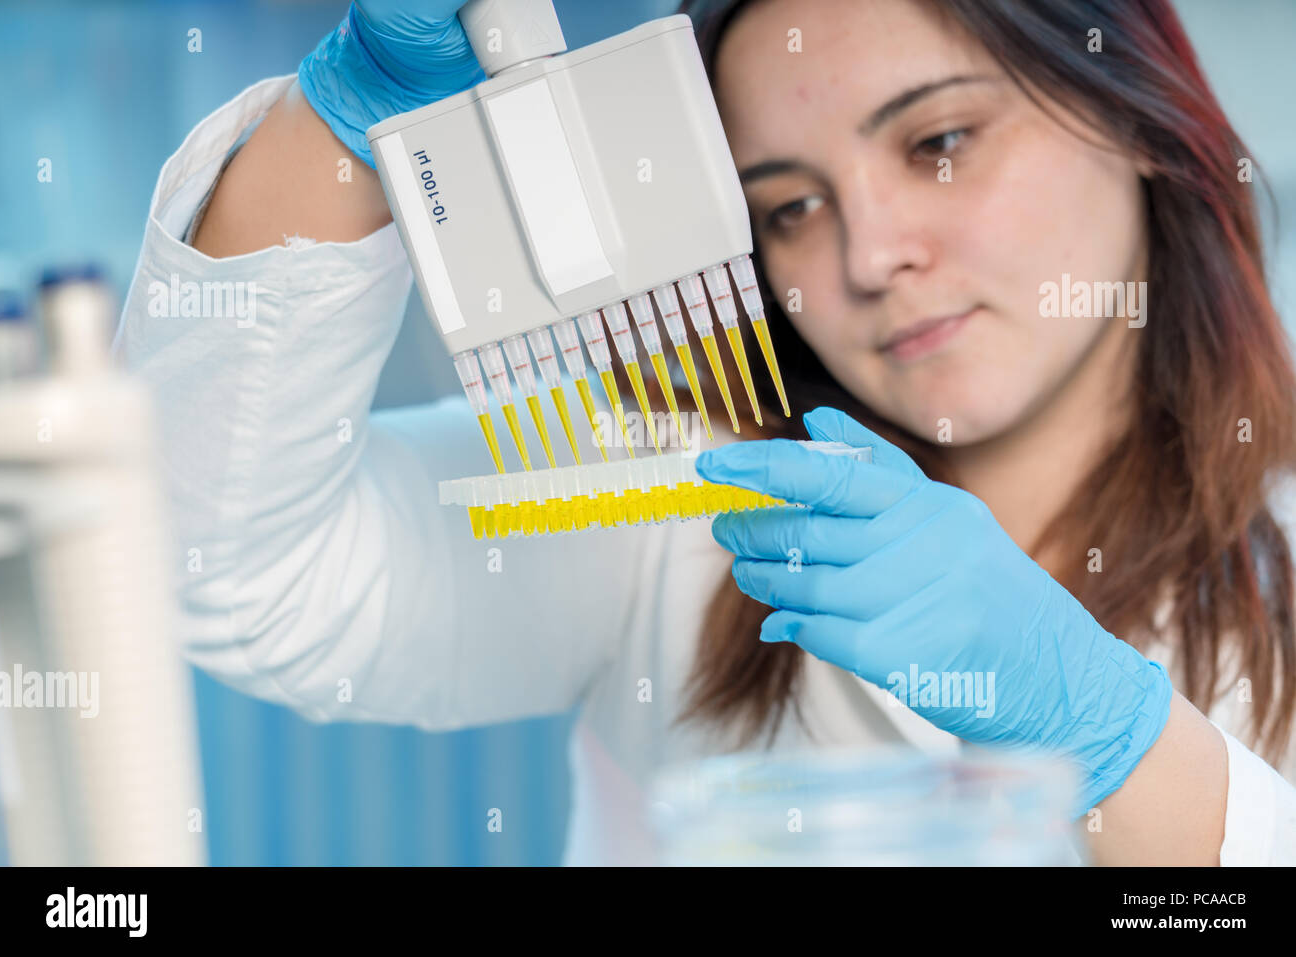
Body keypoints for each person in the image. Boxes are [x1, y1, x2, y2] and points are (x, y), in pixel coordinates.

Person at [115, 0, 1296, 864]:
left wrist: (1110, 731)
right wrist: (339, 120)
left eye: (938, 143)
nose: (869, 254)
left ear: (1138, 117)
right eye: (787, 205)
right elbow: (220, 568)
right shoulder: (671, 493)